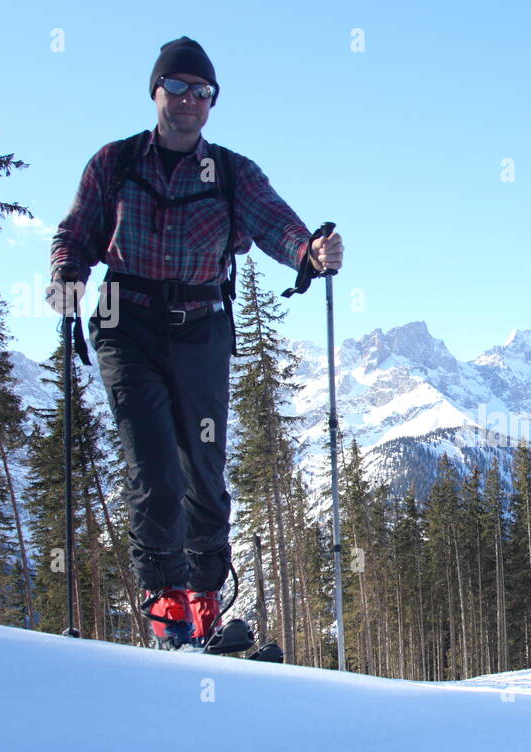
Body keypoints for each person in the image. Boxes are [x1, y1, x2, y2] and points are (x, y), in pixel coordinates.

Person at [48, 36, 343, 649]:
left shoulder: (233, 173)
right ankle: (168, 617)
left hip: (201, 328)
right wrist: (66, 276)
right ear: (155, 93)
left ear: (212, 103)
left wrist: (309, 253)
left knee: (203, 473)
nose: (188, 100)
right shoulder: (115, 162)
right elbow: (76, 232)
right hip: (125, 323)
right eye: (177, 87)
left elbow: (276, 224)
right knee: (153, 468)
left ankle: (204, 614)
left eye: (200, 92)